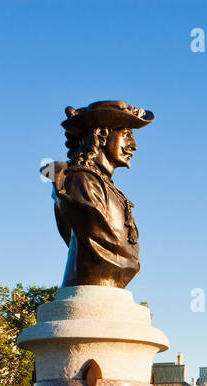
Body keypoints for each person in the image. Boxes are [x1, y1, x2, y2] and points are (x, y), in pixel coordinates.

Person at [50, 100, 154, 288]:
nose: (134, 145)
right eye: (126, 135)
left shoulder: (106, 188)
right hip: (86, 291)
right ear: (101, 135)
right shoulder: (78, 182)